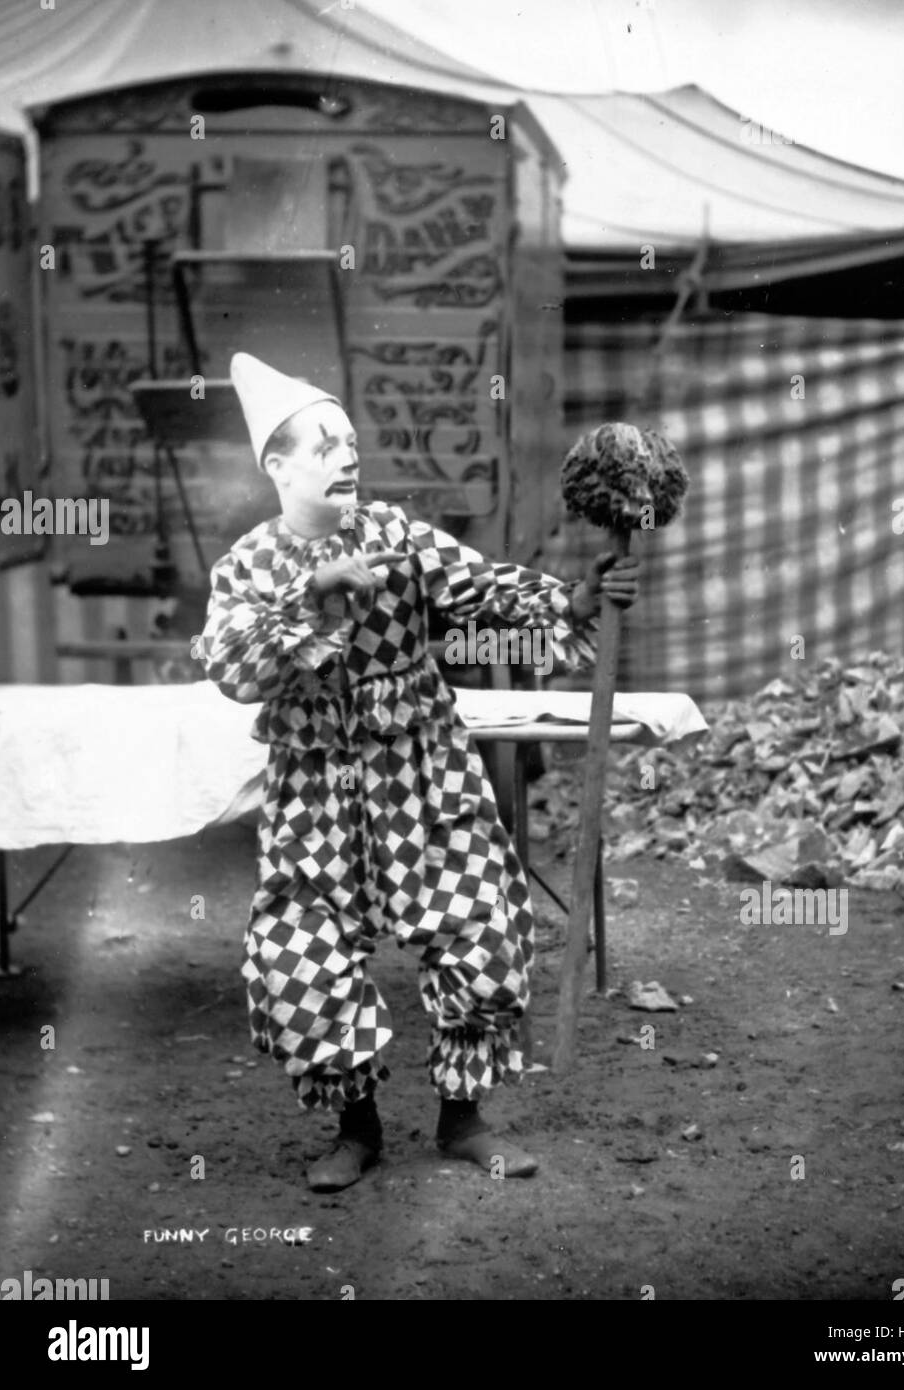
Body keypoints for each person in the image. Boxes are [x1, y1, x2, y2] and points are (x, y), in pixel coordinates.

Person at [197, 352, 639, 1191]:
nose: (344, 457)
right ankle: (355, 1130)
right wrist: (308, 596)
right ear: (278, 467)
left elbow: (481, 588)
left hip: (424, 769)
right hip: (315, 787)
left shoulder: (395, 536)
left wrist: (572, 602)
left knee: (484, 926)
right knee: (299, 957)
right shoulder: (248, 566)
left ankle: (463, 1121)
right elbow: (229, 666)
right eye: (323, 446)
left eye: (350, 443)